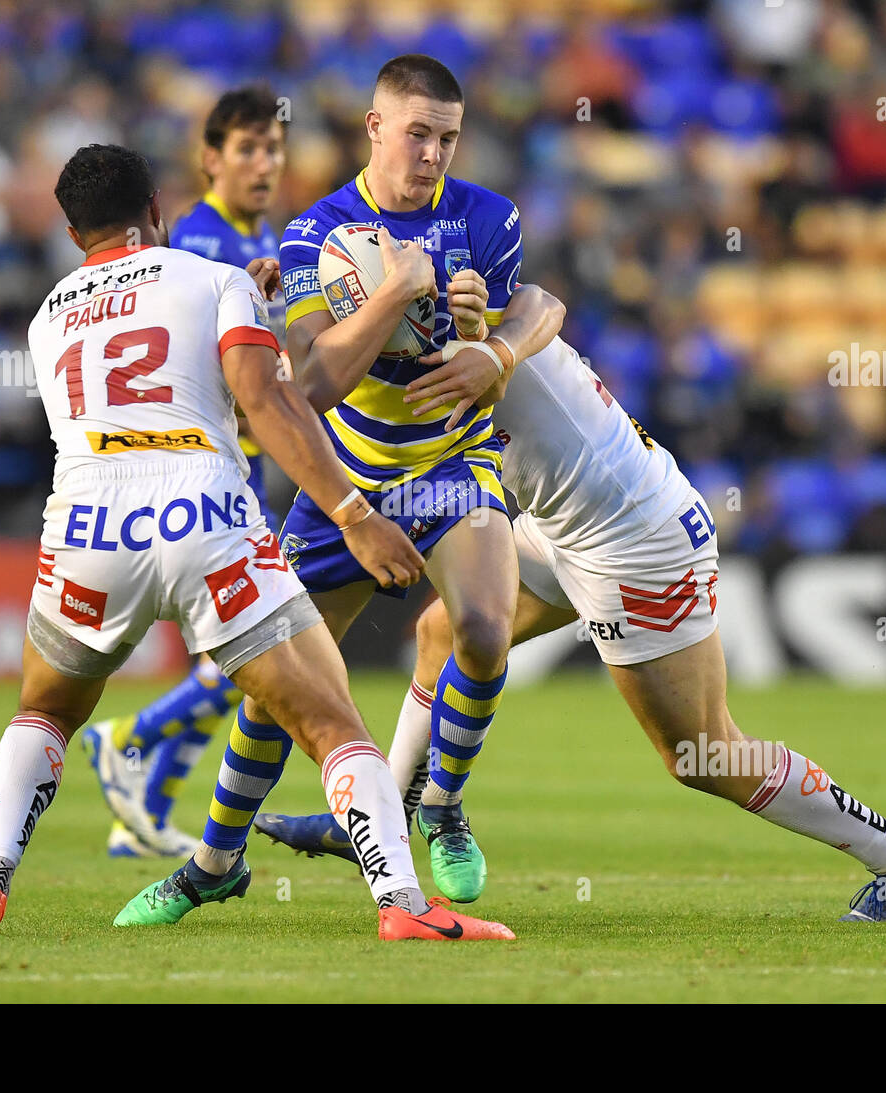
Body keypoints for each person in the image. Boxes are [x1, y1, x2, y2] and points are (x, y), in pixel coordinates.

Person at [0, 143, 513, 943]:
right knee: (333, 723)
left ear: (70, 231)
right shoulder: (209, 278)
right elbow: (261, 401)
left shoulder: (49, 314)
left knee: (43, 714)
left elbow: (134, 400)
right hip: (203, 519)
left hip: (89, 532)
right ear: (157, 208)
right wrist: (355, 514)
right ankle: (403, 902)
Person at [257, 335, 886, 923]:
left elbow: (339, 385)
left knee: (702, 753)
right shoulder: (457, 311)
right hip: (569, 523)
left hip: (632, 541)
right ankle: (393, 819)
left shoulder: (461, 326)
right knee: (445, 632)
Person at [256, 52, 540, 904]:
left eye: (448, 138)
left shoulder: (490, 220)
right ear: (374, 126)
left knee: (484, 630)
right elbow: (310, 385)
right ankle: (212, 859)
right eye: (417, 133)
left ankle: (441, 806)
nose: (433, 154)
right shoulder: (314, 232)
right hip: (347, 478)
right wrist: (396, 295)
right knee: (278, 677)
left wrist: (482, 337)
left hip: (455, 463)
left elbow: (500, 355)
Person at [81, 86, 290, 859]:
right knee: (254, 652)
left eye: (273, 148)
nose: (264, 163)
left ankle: (140, 810)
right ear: (209, 160)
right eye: (246, 149)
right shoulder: (197, 243)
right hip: (206, 470)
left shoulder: (257, 233)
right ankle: (130, 738)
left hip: (245, 465)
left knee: (233, 656)